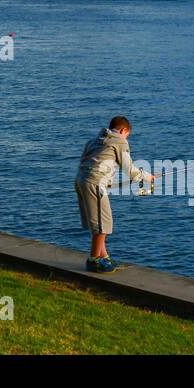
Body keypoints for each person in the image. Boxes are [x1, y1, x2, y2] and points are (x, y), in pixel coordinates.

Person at [74, 115, 154, 273]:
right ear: (124, 130)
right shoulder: (120, 141)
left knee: (98, 221)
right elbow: (130, 170)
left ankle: (104, 257)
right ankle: (94, 260)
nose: (126, 138)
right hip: (94, 183)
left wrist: (107, 182)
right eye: (127, 135)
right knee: (103, 224)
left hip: (80, 181)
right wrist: (147, 176)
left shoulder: (94, 140)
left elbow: (87, 162)